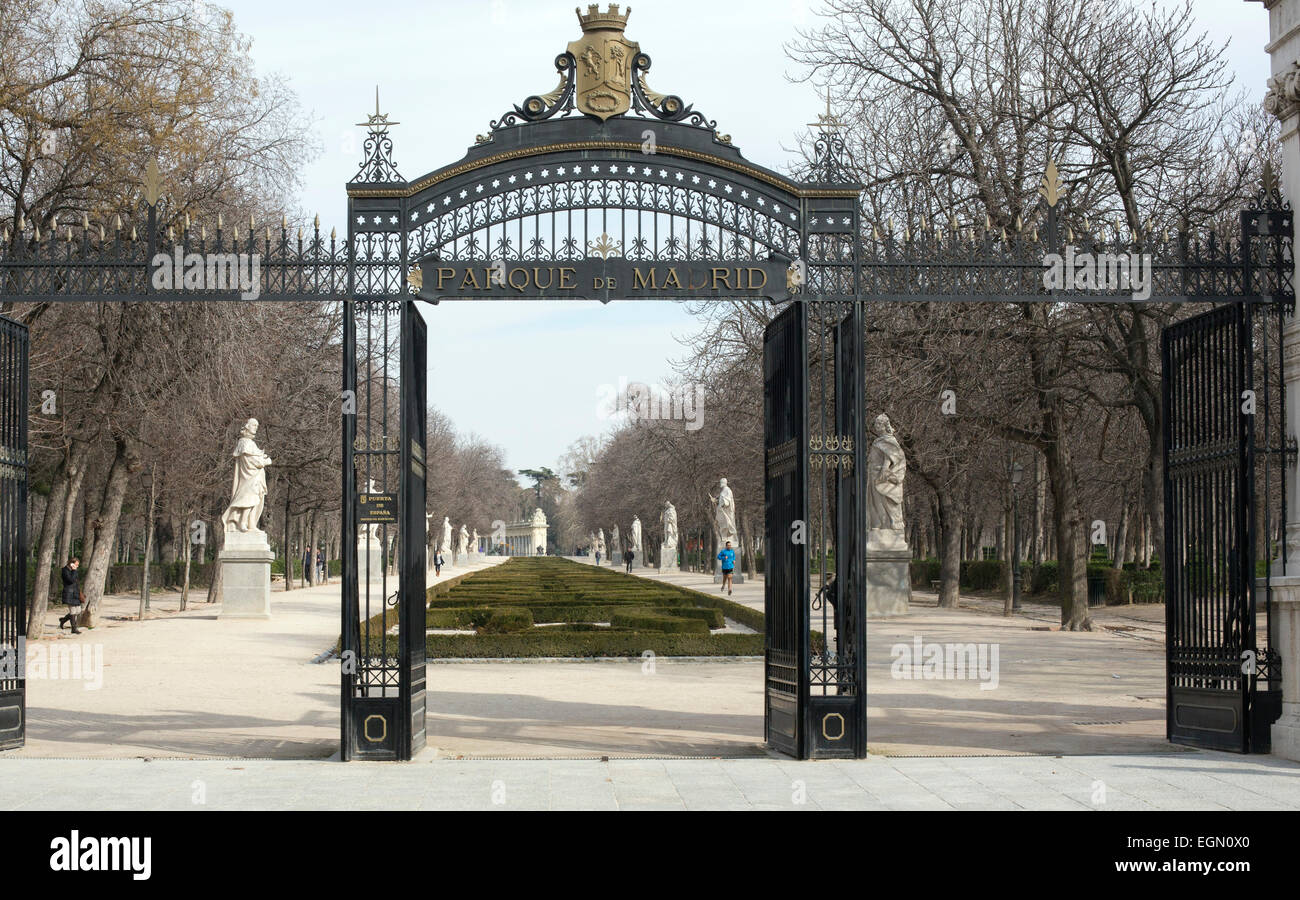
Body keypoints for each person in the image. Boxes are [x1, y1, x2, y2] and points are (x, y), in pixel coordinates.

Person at [58, 557, 83, 634]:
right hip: (69, 593)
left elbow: (76, 580)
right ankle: (74, 629)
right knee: (72, 611)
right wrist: (74, 570)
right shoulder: (65, 570)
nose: (77, 566)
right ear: (71, 563)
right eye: (76, 564)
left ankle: (63, 620)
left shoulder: (73, 570)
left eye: (78, 565)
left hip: (75, 592)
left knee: (78, 610)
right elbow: (70, 580)